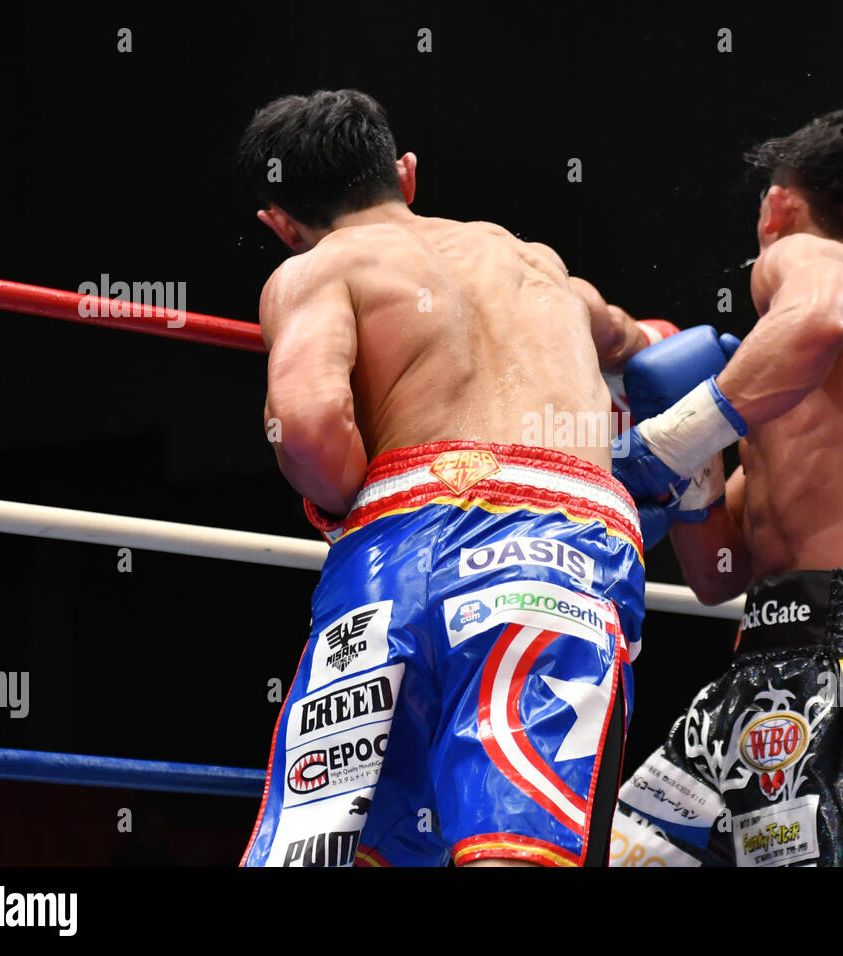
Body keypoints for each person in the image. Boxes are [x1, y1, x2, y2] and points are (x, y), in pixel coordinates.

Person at [234, 89, 670, 867]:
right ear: (405, 174)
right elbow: (627, 338)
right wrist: (659, 343)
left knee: (338, 850)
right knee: (516, 844)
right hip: (556, 542)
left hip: (393, 551)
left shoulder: (317, 268)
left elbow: (304, 426)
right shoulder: (539, 264)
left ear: (279, 222)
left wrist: (349, 509)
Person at [610, 106, 843, 867]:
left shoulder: (813, 258)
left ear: (779, 203)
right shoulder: (784, 398)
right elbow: (717, 576)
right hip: (762, 661)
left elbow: (819, 319)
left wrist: (669, 441)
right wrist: (692, 481)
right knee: (634, 851)